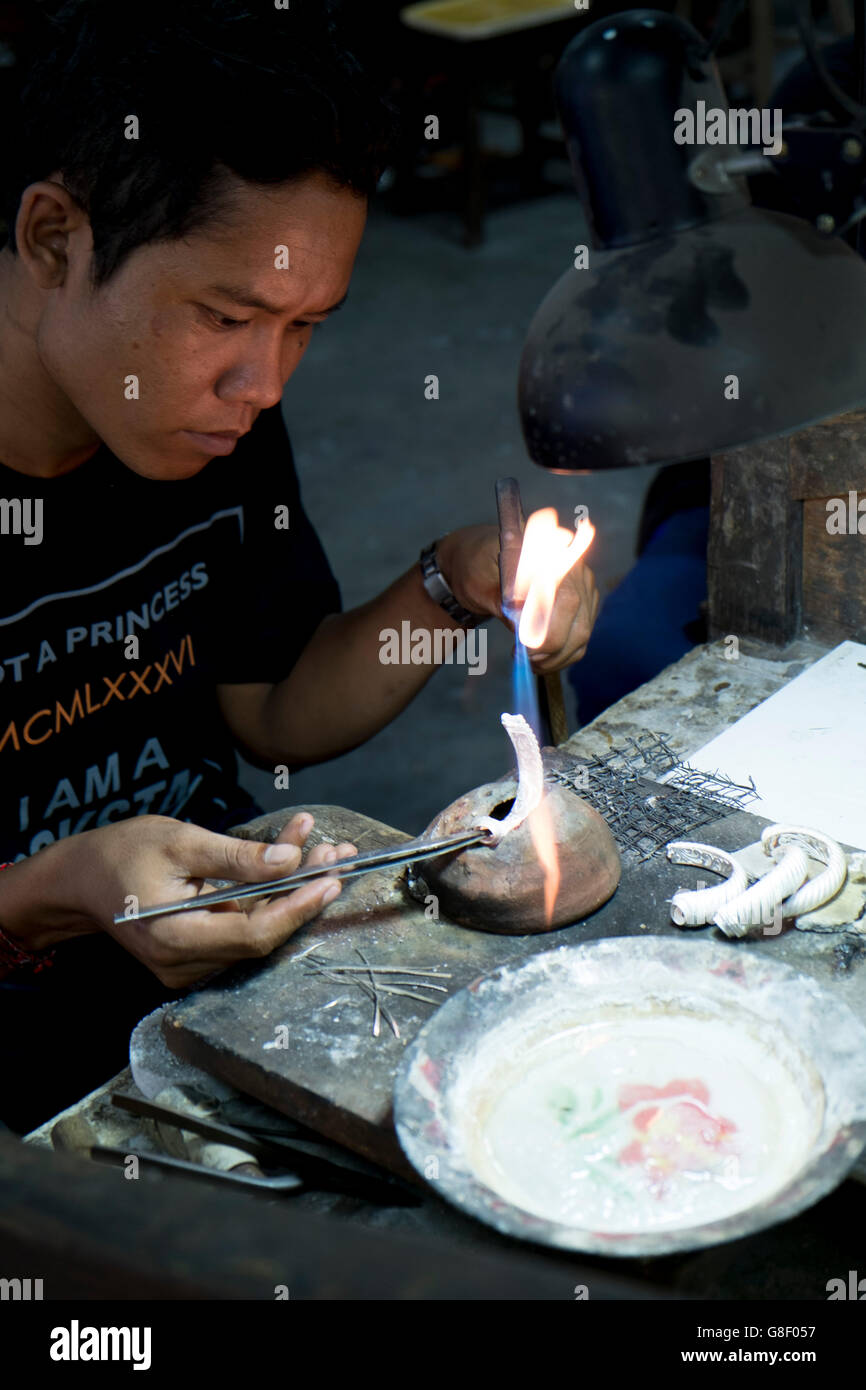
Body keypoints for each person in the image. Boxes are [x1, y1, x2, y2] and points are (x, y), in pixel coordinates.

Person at [0, 1, 598, 1129]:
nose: (264, 385)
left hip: (213, 973)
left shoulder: (210, 420)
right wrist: (48, 892)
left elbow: (273, 707)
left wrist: (454, 584)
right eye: (227, 315)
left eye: (304, 325)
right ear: (53, 241)